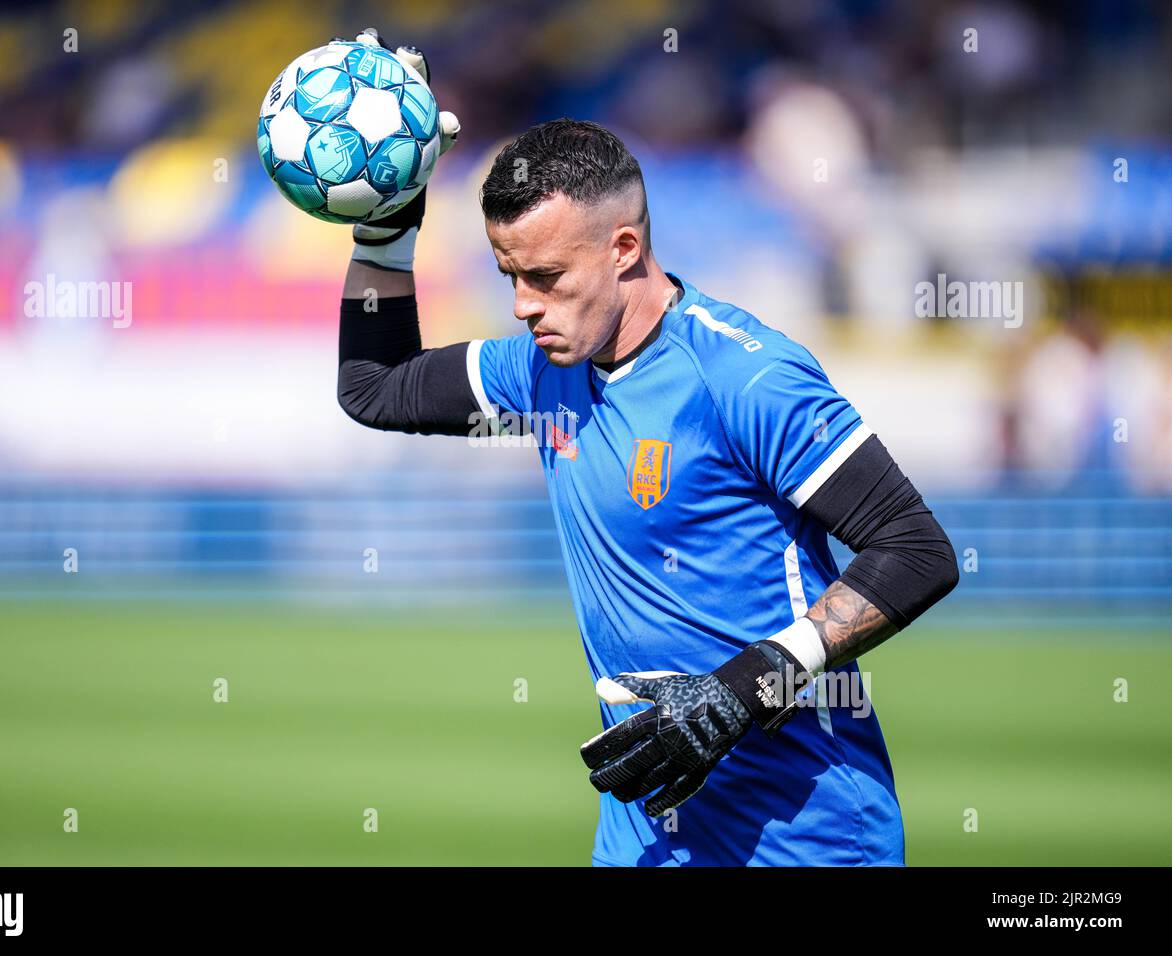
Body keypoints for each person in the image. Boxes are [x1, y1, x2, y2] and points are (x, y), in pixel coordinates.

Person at [334, 29, 958, 866]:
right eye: (507, 274)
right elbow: (375, 388)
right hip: (645, 836)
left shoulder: (745, 376)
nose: (521, 306)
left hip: (806, 837)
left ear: (624, 249)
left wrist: (746, 690)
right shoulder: (541, 369)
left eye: (546, 277)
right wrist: (383, 224)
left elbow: (917, 550)